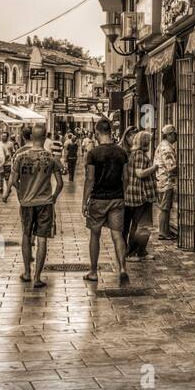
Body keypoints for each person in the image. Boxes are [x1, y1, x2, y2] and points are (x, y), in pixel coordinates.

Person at [10, 122, 64, 288]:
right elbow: (60, 183)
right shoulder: (51, 158)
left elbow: (13, 181)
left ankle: (26, 272)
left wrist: (21, 193)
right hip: (45, 203)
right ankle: (37, 277)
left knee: (26, 236)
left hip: (26, 203)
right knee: (42, 240)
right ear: (45, 136)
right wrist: (53, 196)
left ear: (32, 137)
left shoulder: (20, 157)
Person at [83, 118, 129, 285]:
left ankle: (93, 271)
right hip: (117, 199)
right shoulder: (121, 152)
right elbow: (126, 177)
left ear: (97, 133)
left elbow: (90, 179)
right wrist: (121, 192)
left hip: (98, 199)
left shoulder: (93, 153)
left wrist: (84, 200)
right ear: (110, 131)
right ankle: (122, 267)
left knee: (95, 234)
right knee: (117, 235)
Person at [123, 130, 157, 259]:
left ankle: (141, 251)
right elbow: (140, 173)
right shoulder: (139, 155)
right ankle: (131, 253)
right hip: (139, 195)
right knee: (138, 225)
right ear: (144, 141)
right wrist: (154, 167)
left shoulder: (137, 154)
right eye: (149, 140)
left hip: (140, 194)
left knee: (143, 225)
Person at [154, 124, 178, 241]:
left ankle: (165, 231)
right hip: (166, 182)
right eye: (174, 134)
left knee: (164, 208)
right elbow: (171, 167)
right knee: (165, 208)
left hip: (161, 180)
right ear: (168, 135)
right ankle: (163, 232)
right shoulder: (167, 148)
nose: (176, 136)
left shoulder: (163, 145)